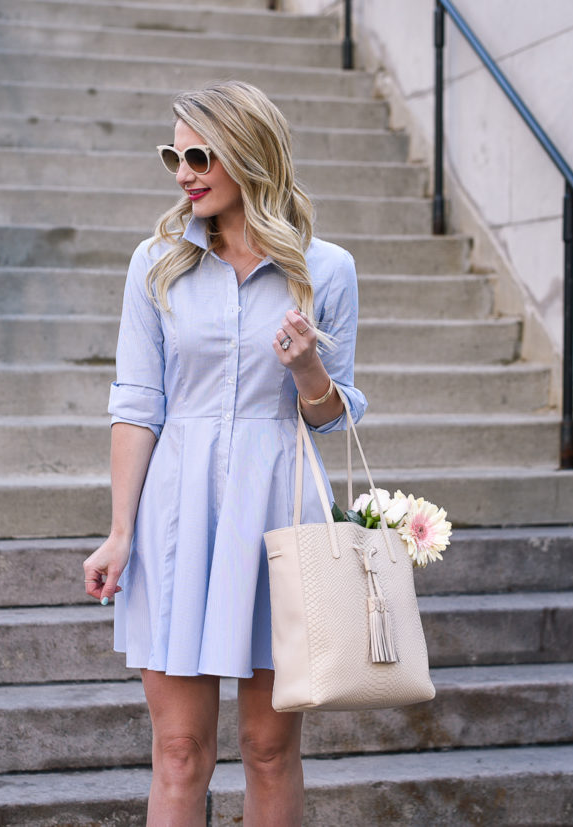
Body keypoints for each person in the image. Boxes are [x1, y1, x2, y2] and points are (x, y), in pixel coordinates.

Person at [83, 80, 367, 826]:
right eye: (174, 154)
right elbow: (137, 403)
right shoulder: (157, 261)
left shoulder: (326, 269)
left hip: (278, 516)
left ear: (249, 153)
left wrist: (308, 368)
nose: (183, 170)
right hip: (178, 518)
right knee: (179, 750)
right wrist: (120, 531)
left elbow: (333, 421)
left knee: (269, 749)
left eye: (200, 153)